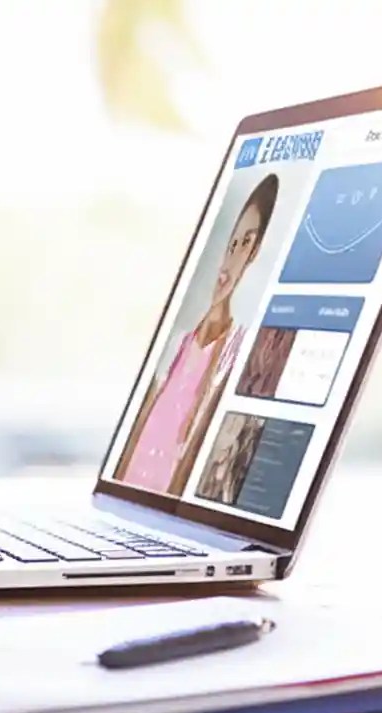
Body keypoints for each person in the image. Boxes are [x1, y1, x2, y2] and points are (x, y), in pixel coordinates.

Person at [119, 173, 279, 496]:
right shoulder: (179, 343)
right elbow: (136, 433)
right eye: (231, 244)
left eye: (245, 244)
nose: (229, 262)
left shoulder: (237, 351)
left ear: (255, 251)